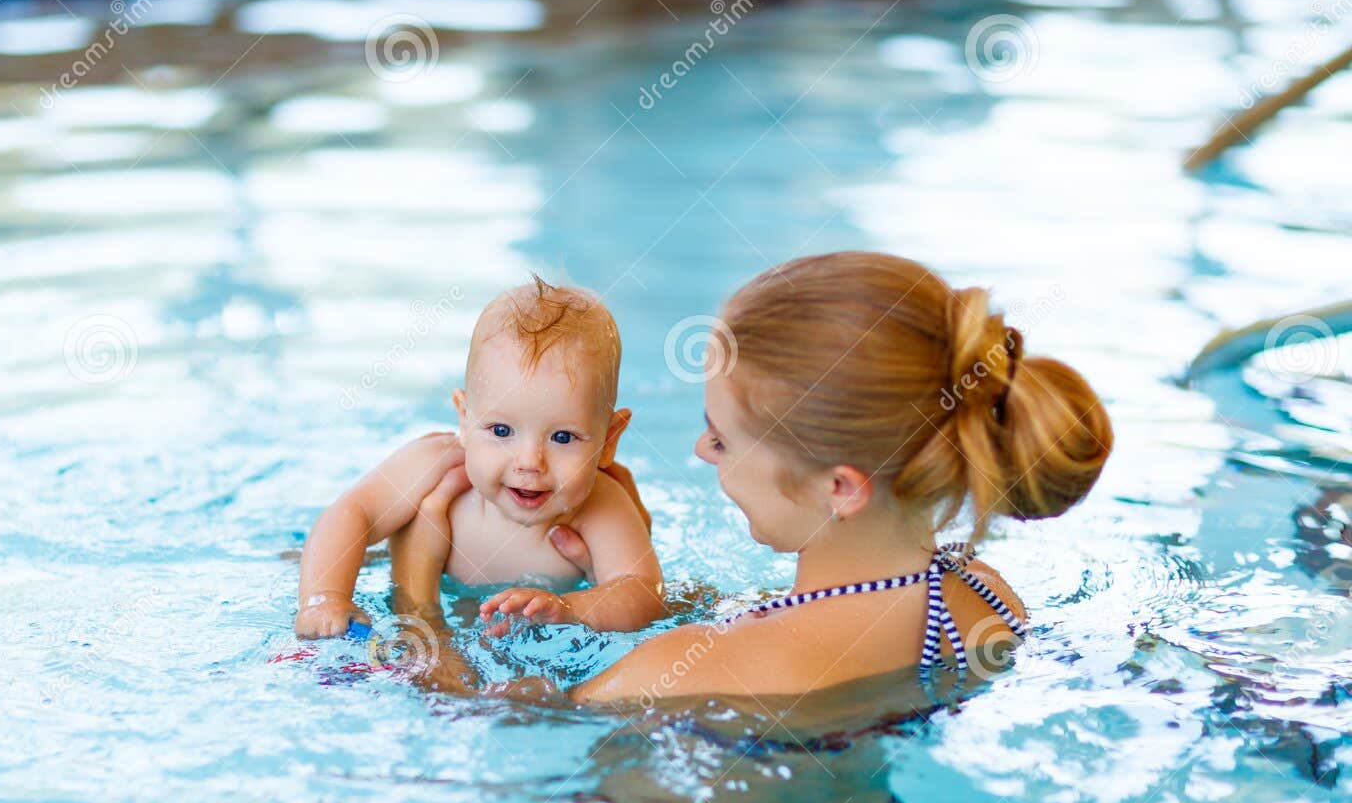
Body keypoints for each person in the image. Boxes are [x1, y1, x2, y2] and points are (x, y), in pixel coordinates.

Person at [397, 252, 1113, 704]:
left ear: (841, 488)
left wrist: (424, 633)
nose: (703, 451)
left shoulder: (687, 671)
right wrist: (645, 584)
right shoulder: (984, 595)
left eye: (726, 438)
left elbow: (503, 715)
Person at [293, 275, 664, 640]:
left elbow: (643, 593)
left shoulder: (601, 505)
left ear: (609, 439)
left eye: (562, 437)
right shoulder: (435, 465)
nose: (530, 462)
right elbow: (351, 511)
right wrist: (325, 596)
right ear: (465, 420)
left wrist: (571, 609)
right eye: (501, 431)